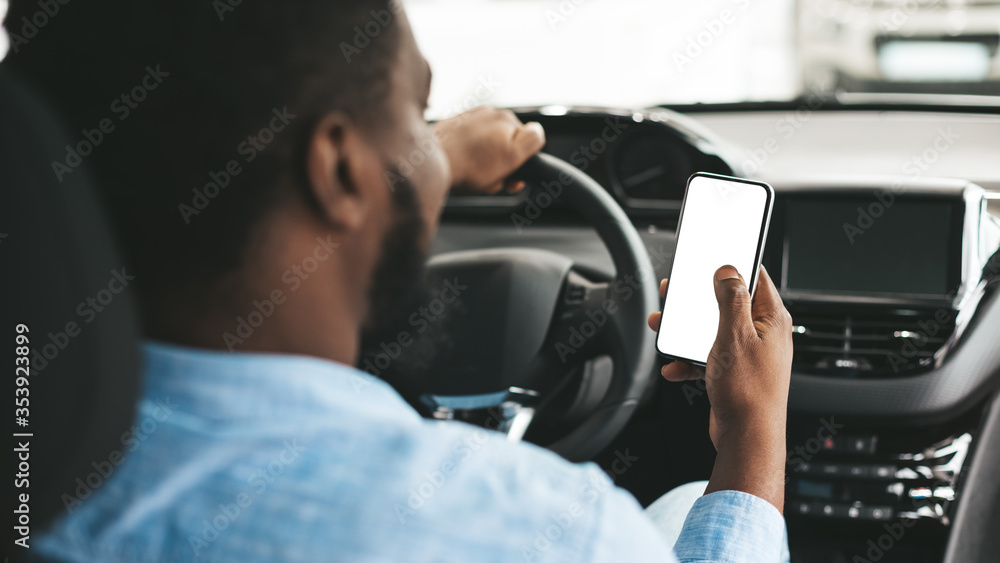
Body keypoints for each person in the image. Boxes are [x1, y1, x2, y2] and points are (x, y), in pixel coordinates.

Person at [5, 1, 793, 561]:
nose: (430, 138)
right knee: (693, 502)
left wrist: (424, 160)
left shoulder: (32, 454)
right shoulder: (542, 530)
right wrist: (752, 445)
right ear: (341, 170)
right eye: (418, 113)